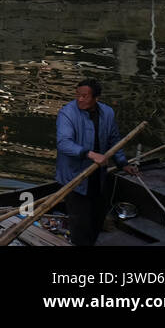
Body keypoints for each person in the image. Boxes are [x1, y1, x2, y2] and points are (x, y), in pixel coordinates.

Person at [56, 79, 138, 246]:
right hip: (75, 178)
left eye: (84, 96)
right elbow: (63, 143)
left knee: (97, 217)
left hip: (98, 176)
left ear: (96, 98)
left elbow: (114, 141)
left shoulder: (107, 113)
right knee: (80, 224)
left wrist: (123, 163)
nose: (79, 99)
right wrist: (90, 154)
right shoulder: (67, 113)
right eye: (77, 95)